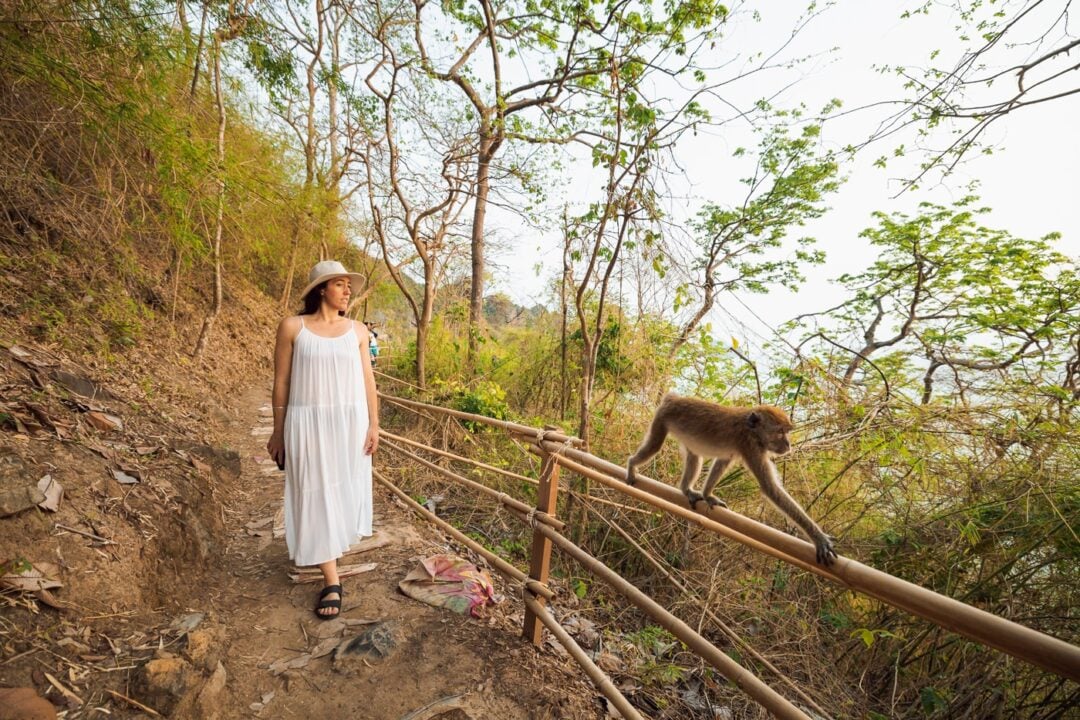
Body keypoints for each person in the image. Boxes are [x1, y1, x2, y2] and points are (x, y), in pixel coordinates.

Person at [266, 260, 380, 619]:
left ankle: (330, 546)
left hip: (349, 423)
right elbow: (282, 382)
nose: (348, 291)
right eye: (340, 284)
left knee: (342, 489)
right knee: (314, 492)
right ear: (321, 289)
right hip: (306, 423)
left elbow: (368, 382)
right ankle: (332, 580)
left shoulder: (358, 331)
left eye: (349, 285)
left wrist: (374, 425)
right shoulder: (293, 327)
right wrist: (278, 430)